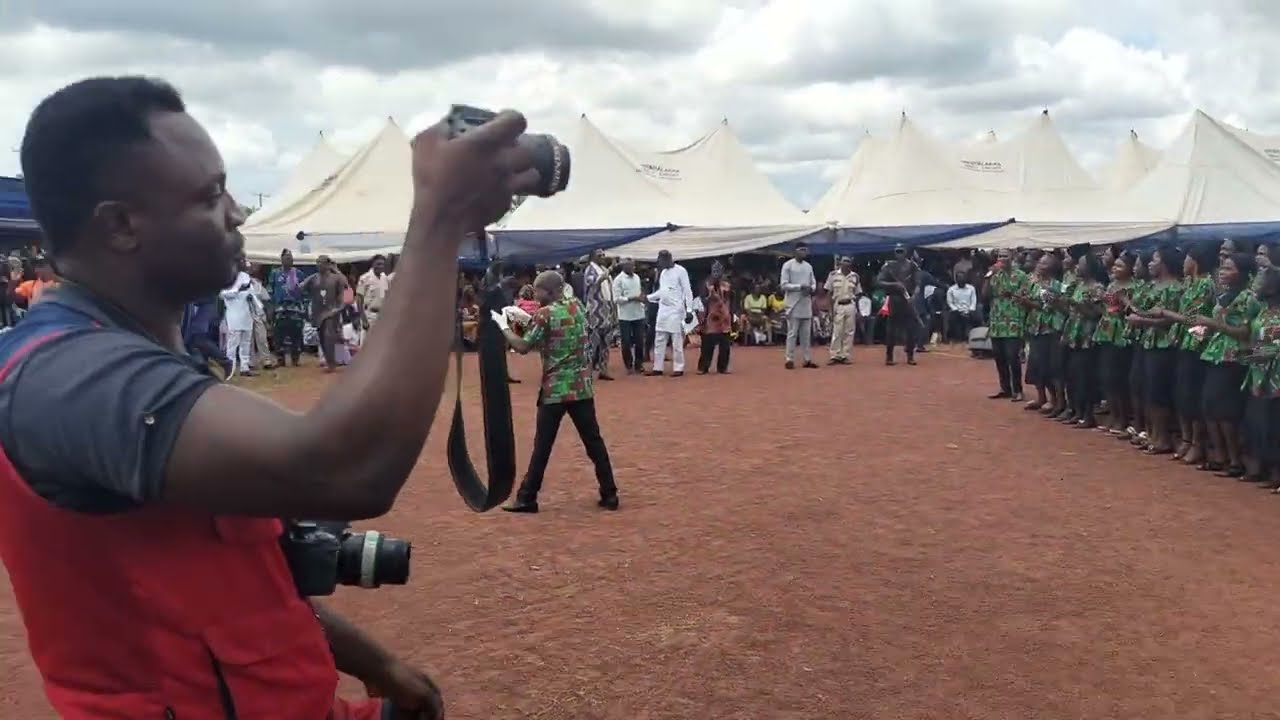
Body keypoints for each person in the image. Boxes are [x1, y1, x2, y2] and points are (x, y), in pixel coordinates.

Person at [0, 75, 541, 719]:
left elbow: (229, 582)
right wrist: (441, 219)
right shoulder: (65, 378)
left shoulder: (135, 357)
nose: (237, 213)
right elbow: (348, 470)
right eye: (210, 196)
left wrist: (376, 665)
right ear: (120, 225)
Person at [495, 270, 619, 513]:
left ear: (549, 291)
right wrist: (523, 319)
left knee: (542, 446)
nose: (534, 294)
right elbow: (553, 329)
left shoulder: (545, 314)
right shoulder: (577, 306)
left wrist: (503, 326)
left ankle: (527, 497)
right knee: (594, 442)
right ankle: (610, 493)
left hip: (555, 389)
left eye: (538, 290)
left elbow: (523, 345)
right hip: (581, 387)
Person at [875, 244, 936, 366]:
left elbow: (918, 283)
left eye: (901, 251)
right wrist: (894, 285)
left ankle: (910, 356)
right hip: (894, 298)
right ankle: (889, 356)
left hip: (908, 299)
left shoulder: (912, 266)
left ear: (905, 252)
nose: (899, 254)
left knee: (911, 329)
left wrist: (915, 295)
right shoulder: (889, 266)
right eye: (897, 251)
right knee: (891, 330)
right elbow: (879, 281)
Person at [983, 249, 1028, 400]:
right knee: (999, 356)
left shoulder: (1021, 275)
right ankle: (1005, 388)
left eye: (1005, 256)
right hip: (997, 321)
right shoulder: (995, 274)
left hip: (1013, 319)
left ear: (1012, 257)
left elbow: (1025, 296)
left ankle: (1018, 389)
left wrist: (1012, 295)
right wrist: (989, 276)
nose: (1002, 259)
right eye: (1000, 256)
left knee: (1012, 356)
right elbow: (985, 295)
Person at [646, 249, 694, 377]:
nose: (660, 264)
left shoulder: (681, 271)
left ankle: (678, 368)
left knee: (676, 340)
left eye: (661, 261)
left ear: (668, 259)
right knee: (659, 339)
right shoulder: (663, 273)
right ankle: (658, 367)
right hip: (663, 309)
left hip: (675, 310)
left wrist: (689, 310)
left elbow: (688, 291)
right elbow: (662, 292)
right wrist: (648, 298)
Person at [301, 254, 348, 372]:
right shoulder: (314, 278)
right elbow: (300, 287)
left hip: (332, 311)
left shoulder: (336, 278)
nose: (318, 265)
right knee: (322, 337)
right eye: (317, 262)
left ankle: (335, 362)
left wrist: (340, 307)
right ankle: (330, 361)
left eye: (321, 262)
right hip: (318, 312)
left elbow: (346, 288)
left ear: (327, 264)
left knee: (330, 335)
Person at [779, 242, 818, 369]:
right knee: (792, 334)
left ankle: (807, 359)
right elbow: (784, 285)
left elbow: (813, 282)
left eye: (805, 250)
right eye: (801, 250)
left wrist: (811, 288)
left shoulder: (808, 266)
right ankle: (789, 359)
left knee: (806, 335)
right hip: (793, 303)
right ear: (795, 251)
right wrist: (800, 287)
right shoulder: (788, 265)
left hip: (806, 302)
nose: (803, 252)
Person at [268, 248, 309, 367]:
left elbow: (304, 291)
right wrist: (271, 308)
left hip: (295, 308)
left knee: (296, 334)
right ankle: (280, 359)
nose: (288, 260)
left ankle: (295, 359)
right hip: (279, 308)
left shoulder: (299, 273)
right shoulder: (275, 273)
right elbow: (270, 290)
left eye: (290, 258)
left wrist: (305, 307)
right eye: (286, 257)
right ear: (281, 259)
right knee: (278, 335)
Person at [581, 248, 617, 381]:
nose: (602, 257)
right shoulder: (590, 270)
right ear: (593, 257)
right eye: (599, 255)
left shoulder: (602, 269)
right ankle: (588, 371)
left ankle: (603, 369)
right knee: (593, 343)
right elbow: (595, 282)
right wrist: (611, 268)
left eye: (603, 255)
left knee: (605, 342)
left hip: (606, 309)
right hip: (595, 311)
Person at [220, 256, 258, 377]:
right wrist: (238, 290)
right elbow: (222, 294)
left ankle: (244, 367)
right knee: (233, 343)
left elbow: (252, 291)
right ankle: (230, 368)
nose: (244, 263)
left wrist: (251, 294)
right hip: (234, 314)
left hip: (246, 313)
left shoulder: (245, 276)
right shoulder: (227, 277)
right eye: (241, 261)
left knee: (246, 342)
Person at [611, 257, 647, 374]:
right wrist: (631, 298)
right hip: (625, 316)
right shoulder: (618, 280)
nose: (633, 268)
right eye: (630, 266)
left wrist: (641, 298)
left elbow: (639, 292)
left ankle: (639, 364)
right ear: (624, 266)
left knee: (640, 341)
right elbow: (616, 299)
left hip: (638, 313)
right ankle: (628, 364)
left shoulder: (637, 277)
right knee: (626, 342)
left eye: (633, 266)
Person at [697, 260, 733, 374]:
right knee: (707, 344)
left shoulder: (727, 284)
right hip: (710, 317)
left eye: (719, 270)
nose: (717, 273)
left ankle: (722, 367)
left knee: (725, 345)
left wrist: (732, 314)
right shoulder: (706, 284)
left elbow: (731, 299)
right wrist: (709, 297)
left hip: (725, 318)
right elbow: (702, 299)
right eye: (715, 271)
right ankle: (703, 367)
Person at [824, 255, 860, 364]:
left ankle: (845, 355)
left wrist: (857, 309)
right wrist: (830, 310)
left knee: (849, 331)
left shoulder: (855, 276)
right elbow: (829, 293)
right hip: (838, 305)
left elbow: (858, 293)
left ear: (851, 263)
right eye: (844, 261)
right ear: (840, 262)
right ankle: (835, 355)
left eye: (848, 261)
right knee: (837, 331)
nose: (846, 263)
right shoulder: (833, 275)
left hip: (850, 304)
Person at [356, 253, 391, 331]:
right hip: (370, 316)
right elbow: (359, 300)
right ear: (373, 264)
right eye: (378, 264)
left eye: (382, 264)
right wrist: (364, 320)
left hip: (383, 316)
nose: (381, 266)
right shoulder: (364, 278)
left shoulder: (385, 278)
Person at [945, 269, 979, 342]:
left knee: (977, 316)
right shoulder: (951, 289)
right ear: (956, 279)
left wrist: (970, 310)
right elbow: (950, 302)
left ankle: (974, 336)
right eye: (959, 278)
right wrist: (957, 310)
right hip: (957, 311)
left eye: (963, 278)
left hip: (969, 310)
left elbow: (973, 301)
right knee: (953, 317)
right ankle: (955, 337)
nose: (961, 279)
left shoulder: (971, 288)